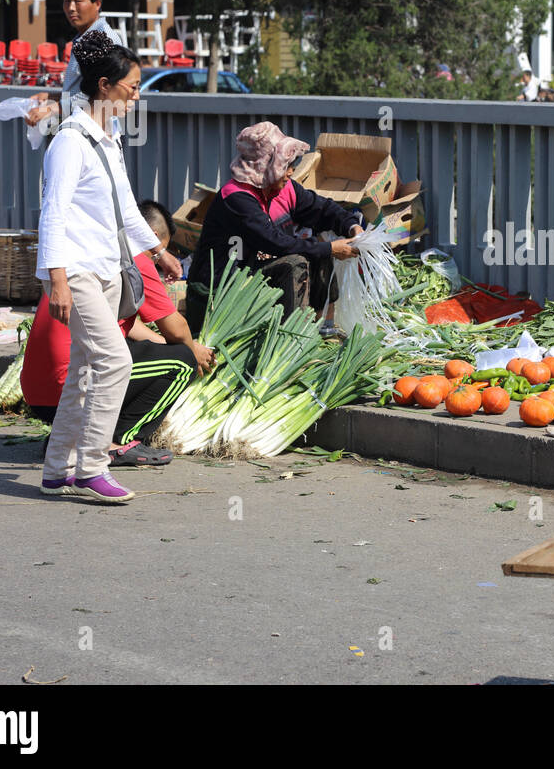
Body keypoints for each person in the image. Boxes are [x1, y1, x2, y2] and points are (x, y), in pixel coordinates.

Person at [36, 29, 183, 504]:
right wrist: (56, 279)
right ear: (104, 85)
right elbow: (52, 213)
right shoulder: (70, 142)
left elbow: (124, 207)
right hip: (74, 271)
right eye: (132, 86)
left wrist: (157, 252)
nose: (136, 95)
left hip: (104, 269)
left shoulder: (110, 138)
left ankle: (58, 468)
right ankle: (93, 466)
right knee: (115, 361)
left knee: (84, 371)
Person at [22, 200, 214, 467]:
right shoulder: (135, 258)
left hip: (38, 391)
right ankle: (115, 442)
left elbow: (123, 322)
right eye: (164, 250)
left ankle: (69, 439)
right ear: (153, 237)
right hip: (66, 385)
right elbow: (176, 327)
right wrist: (195, 351)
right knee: (182, 363)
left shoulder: (97, 250)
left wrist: (161, 345)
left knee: (154, 352)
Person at [184, 122, 363, 334]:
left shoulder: (282, 189)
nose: (291, 172)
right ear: (265, 165)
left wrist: (351, 225)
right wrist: (330, 248)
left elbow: (320, 208)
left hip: (256, 277)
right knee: (298, 261)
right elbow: (275, 242)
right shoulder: (237, 198)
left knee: (319, 251)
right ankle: (287, 338)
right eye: (286, 165)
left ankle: (326, 328)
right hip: (221, 293)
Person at [26, 0, 121, 128]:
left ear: (97, 4)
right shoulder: (85, 37)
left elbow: (100, 92)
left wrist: (52, 108)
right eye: (67, 1)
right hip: (84, 126)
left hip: (96, 131)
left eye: (78, 1)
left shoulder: (104, 38)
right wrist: (53, 96)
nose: (70, 8)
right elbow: (85, 87)